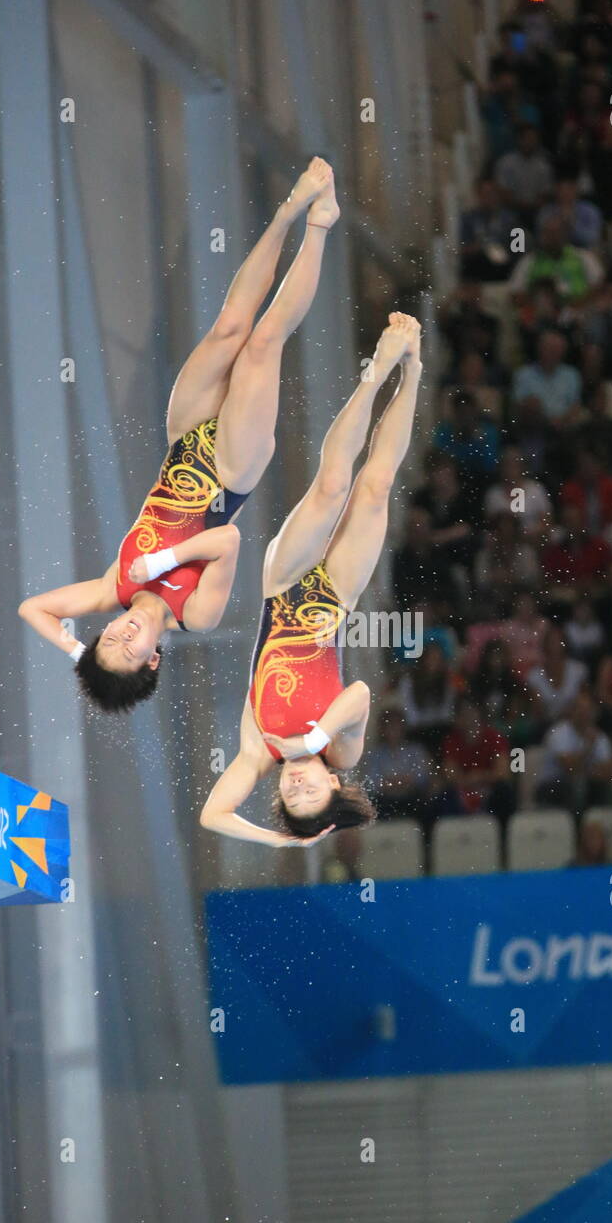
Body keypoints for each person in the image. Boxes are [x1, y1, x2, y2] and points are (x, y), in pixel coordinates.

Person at [19, 159, 338, 713]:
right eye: (130, 649)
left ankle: (289, 210)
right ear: (154, 658)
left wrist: (78, 653)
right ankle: (320, 225)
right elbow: (229, 541)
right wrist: (163, 566)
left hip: (183, 441)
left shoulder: (109, 588)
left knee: (229, 326)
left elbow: (32, 608)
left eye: (109, 640)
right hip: (232, 472)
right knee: (263, 342)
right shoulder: (197, 615)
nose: (122, 635)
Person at [201, 314, 422, 847]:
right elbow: (363, 693)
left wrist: (283, 841)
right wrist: (319, 736)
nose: (299, 783)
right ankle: (412, 368)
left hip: (283, 587)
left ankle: (376, 371)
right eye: (312, 792)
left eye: (291, 795)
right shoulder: (341, 751)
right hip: (335, 599)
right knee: (374, 486)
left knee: (330, 486)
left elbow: (213, 816)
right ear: (333, 781)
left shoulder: (261, 751)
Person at [536, 688, 612, 815]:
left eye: (588, 710)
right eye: (580, 709)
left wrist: (586, 769)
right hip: (551, 786)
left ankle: (599, 824)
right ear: (572, 711)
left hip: (585, 785)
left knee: (604, 787)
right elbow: (570, 768)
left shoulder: (600, 737)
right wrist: (588, 748)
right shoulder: (558, 733)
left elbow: (608, 771)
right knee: (577, 785)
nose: (584, 713)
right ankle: (577, 828)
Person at [363, 709, 433, 822]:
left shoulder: (416, 750)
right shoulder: (376, 754)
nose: (393, 730)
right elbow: (372, 782)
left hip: (412, 798)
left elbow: (423, 777)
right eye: (389, 725)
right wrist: (397, 782)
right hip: (385, 800)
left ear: (404, 727)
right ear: (383, 729)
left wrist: (398, 782)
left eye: (397, 725)